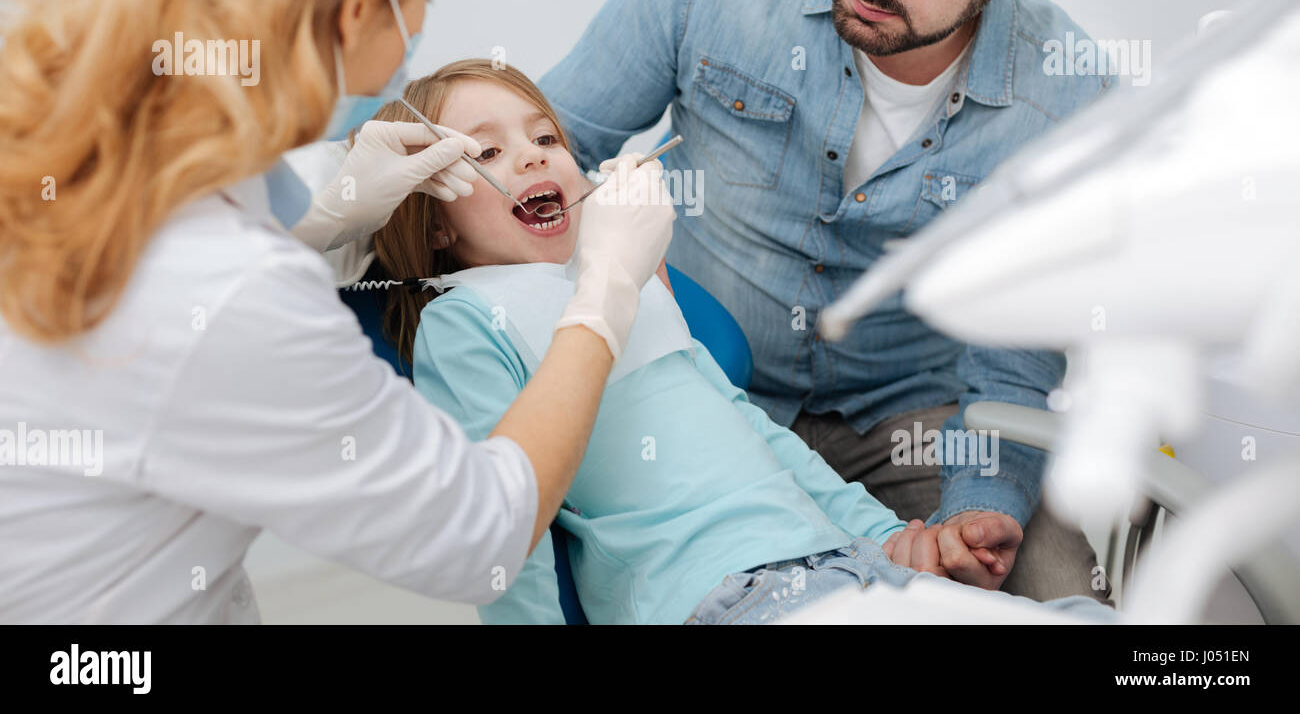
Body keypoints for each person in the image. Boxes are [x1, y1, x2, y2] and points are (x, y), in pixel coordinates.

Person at [0, 0, 672, 623]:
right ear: (359, 10)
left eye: (546, 140)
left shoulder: (70, 120)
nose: (419, 32)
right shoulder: (234, 289)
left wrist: (325, 221)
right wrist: (607, 291)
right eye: (424, 0)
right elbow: (481, 536)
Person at [538, 0, 1115, 602]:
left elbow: (1011, 368)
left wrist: (976, 516)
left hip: (917, 422)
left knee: (1055, 587)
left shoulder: (1066, 102)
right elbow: (551, 151)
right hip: (705, 386)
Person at [356, 59, 1117, 625]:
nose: (531, 156)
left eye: (546, 137)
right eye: (485, 154)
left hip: (840, 566)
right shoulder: (464, 320)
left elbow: (757, 435)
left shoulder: (636, 284)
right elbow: (504, 535)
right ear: (435, 221)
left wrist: (887, 538)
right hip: (725, 594)